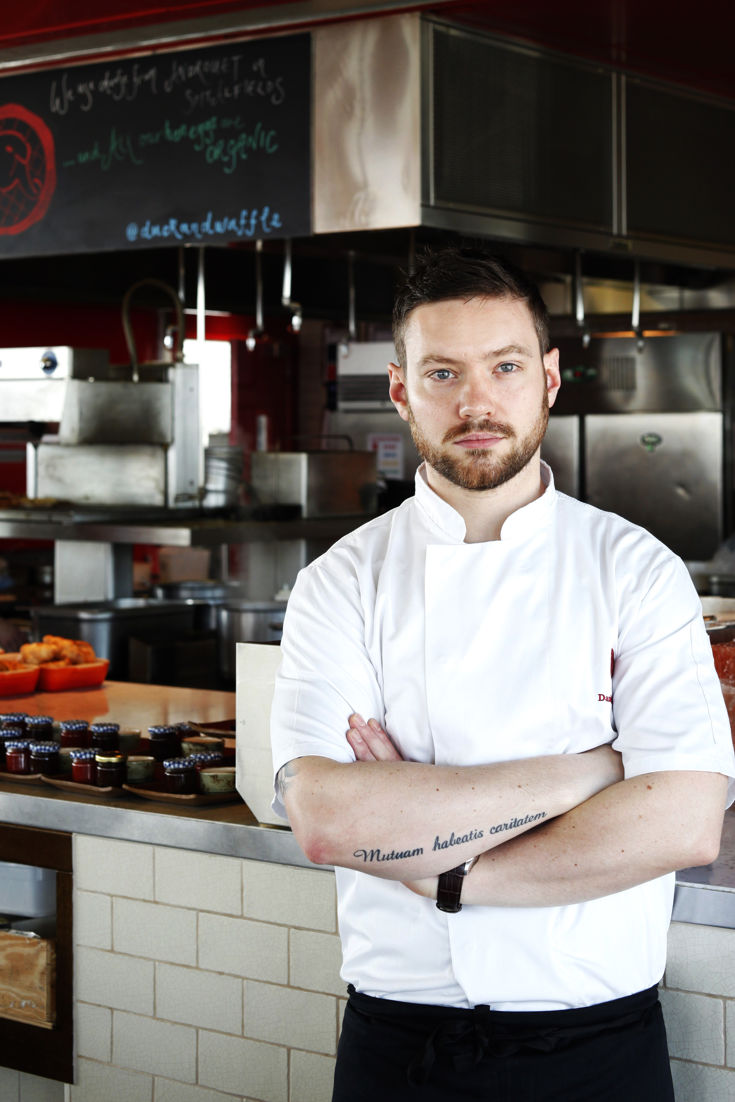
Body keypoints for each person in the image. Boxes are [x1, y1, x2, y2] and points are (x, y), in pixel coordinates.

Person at [270, 246, 735, 1101]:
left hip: (595, 1041)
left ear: (549, 379)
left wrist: (440, 872)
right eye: (443, 372)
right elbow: (329, 819)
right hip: (396, 1040)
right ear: (401, 389)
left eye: (505, 366)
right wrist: (599, 769)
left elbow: (681, 823)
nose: (476, 401)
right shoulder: (342, 579)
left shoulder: (635, 569)